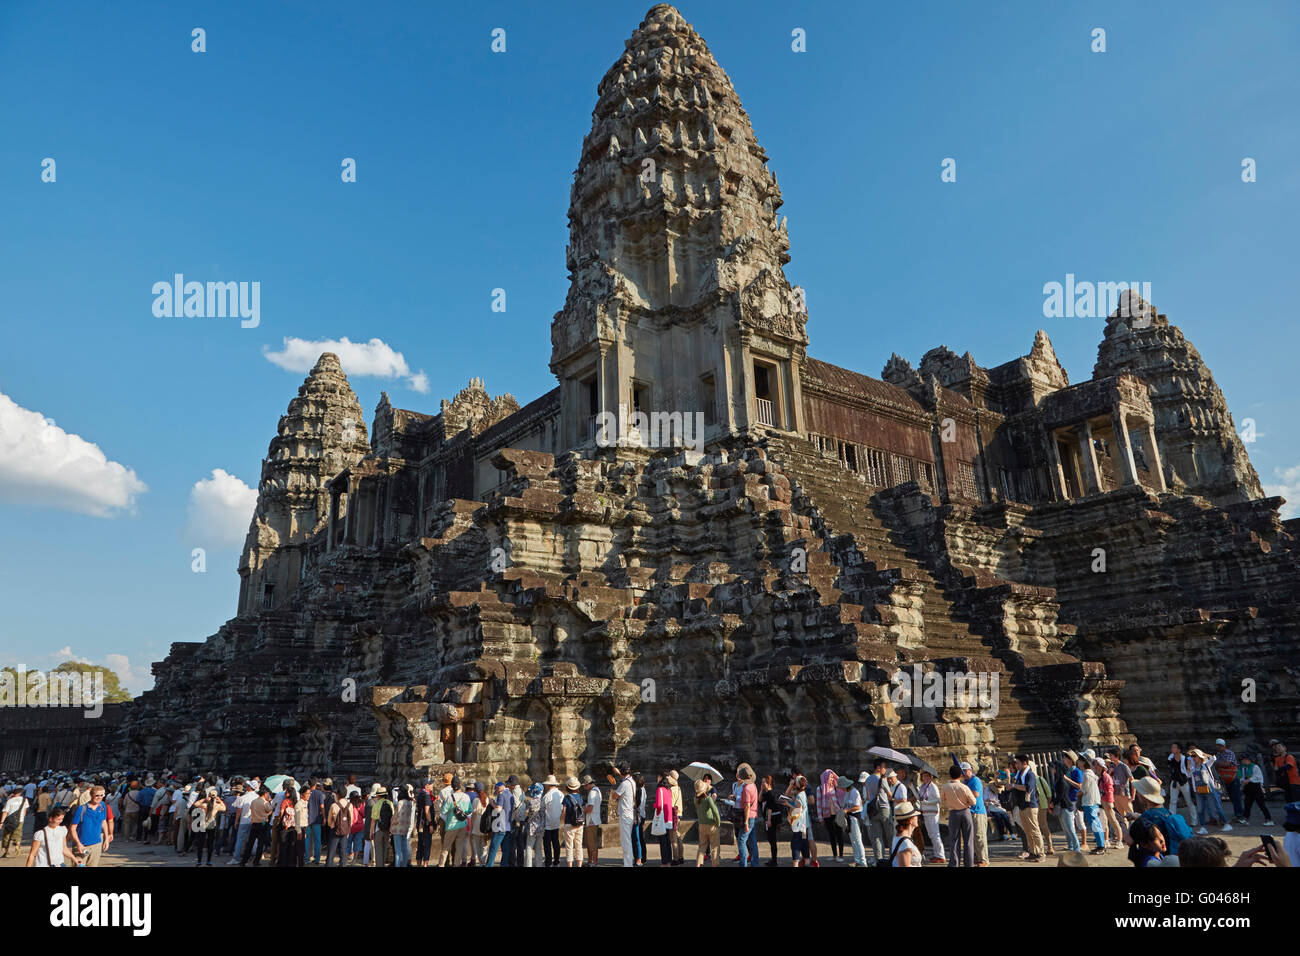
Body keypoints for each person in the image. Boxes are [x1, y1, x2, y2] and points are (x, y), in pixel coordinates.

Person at [1128, 776, 1193, 856]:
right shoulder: (1166, 812)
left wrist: (1122, 823)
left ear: (1144, 796)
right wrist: (1138, 816)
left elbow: (1131, 841)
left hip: (1158, 857)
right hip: (1171, 855)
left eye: (1139, 792)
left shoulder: (1147, 817)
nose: (1137, 794)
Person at [68, 785, 113, 866]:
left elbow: (104, 822)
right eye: (97, 795)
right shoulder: (81, 809)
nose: (100, 797)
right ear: (91, 795)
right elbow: (72, 828)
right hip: (82, 846)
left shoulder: (102, 806)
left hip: (96, 845)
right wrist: (78, 844)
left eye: (102, 795)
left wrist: (106, 838)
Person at [1011, 753, 1044, 862]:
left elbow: (1028, 788)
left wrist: (1014, 786)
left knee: (1034, 830)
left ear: (1024, 763)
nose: (1016, 765)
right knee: (1028, 831)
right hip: (1022, 805)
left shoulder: (1030, 774)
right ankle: (1033, 852)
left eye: (1018, 763)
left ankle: (1040, 853)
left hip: (1030, 805)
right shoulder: (1019, 774)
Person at [1189, 749, 1231, 834]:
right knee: (1200, 809)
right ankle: (1203, 828)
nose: (1192, 758)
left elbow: (1213, 758)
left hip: (1210, 790)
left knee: (1216, 807)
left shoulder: (1206, 765)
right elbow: (1189, 776)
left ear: (1199, 756)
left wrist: (1204, 754)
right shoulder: (1192, 767)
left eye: (1194, 756)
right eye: (1192, 756)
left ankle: (1226, 824)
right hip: (1198, 790)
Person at [941, 766, 976, 867]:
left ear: (950, 775)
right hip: (965, 812)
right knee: (968, 839)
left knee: (954, 839)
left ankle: (954, 863)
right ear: (960, 775)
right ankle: (969, 863)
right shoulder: (964, 787)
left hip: (953, 813)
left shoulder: (945, 787)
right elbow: (973, 801)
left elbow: (943, 799)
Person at [862, 760, 891, 861]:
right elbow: (890, 795)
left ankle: (879, 859)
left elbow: (868, 795)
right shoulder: (882, 780)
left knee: (876, 836)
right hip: (884, 808)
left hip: (872, 809)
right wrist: (886, 780)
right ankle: (893, 857)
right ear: (878, 768)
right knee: (890, 834)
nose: (885, 769)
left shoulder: (868, 779)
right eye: (884, 767)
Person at [960, 762, 988, 865]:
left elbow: (975, 794)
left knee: (979, 836)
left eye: (965, 771)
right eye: (962, 771)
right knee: (972, 837)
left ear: (970, 770)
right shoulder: (965, 782)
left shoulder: (975, 780)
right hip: (970, 811)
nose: (964, 773)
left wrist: (963, 793)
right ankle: (977, 856)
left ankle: (984, 859)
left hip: (978, 811)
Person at [1212, 738, 1246, 823]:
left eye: (1221, 746)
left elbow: (1226, 764)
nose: (1219, 747)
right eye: (1218, 746)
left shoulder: (1230, 753)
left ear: (1224, 746)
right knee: (1232, 797)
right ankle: (1238, 814)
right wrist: (1220, 764)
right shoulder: (1218, 754)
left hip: (1233, 777)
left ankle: (1239, 815)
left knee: (1236, 797)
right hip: (1225, 778)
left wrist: (1219, 763)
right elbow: (1218, 765)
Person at [441, 777, 472, 867]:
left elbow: (443, 811)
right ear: (460, 785)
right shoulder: (466, 796)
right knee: (459, 848)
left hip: (451, 825)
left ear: (452, 786)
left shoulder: (450, 798)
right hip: (462, 824)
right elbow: (470, 810)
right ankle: (456, 864)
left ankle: (441, 864)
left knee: (446, 848)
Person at [190, 787, 225, 865]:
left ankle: (199, 861)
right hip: (211, 825)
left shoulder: (203, 804)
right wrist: (220, 801)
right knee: (210, 843)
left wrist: (203, 799)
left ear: (208, 795)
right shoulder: (217, 805)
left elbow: (195, 804)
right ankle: (208, 861)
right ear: (216, 796)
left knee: (200, 844)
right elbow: (224, 808)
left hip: (202, 825)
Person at [916, 769, 945, 864]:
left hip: (933, 813)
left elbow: (938, 800)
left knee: (935, 834)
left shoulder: (933, 787)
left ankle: (941, 855)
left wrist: (927, 802)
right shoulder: (922, 787)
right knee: (931, 835)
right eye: (924, 776)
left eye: (928, 776)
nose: (926, 778)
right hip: (925, 812)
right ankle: (936, 854)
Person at [1167, 743, 1199, 826]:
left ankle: (1194, 821)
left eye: (1174, 747)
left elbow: (1189, 771)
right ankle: (1172, 820)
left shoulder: (1185, 759)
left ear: (1179, 750)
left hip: (1183, 781)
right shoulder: (1171, 758)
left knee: (1189, 801)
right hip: (1174, 782)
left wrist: (1188, 769)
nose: (1172, 748)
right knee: (1172, 801)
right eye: (1172, 747)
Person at [734, 763, 759, 867]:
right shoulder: (753, 785)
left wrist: (745, 822)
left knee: (741, 841)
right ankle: (755, 863)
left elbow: (747, 806)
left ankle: (743, 864)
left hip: (748, 816)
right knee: (752, 841)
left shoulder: (746, 788)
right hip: (754, 815)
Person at [611, 763, 637, 867]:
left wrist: (614, 784)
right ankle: (628, 862)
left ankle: (628, 864)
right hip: (629, 813)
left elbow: (614, 796)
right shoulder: (632, 781)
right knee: (627, 840)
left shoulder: (624, 784)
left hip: (625, 815)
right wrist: (619, 775)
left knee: (626, 841)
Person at [1237, 753, 1273, 825]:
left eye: (1245, 760)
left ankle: (1269, 819)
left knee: (1261, 804)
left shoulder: (1255, 767)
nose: (1243, 761)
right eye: (1242, 760)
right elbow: (1241, 777)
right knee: (1247, 804)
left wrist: (1249, 780)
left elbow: (1258, 777)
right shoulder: (1242, 768)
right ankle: (1246, 818)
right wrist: (1242, 782)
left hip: (1255, 787)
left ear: (1249, 760)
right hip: (1247, 787)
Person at [840, 773, 866, 866]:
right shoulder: (847, 792)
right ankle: (857, 860)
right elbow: (846, 805)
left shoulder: (854, 792)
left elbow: (857, 806)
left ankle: (863, 861)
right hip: (850, 818)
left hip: (855, 817)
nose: (841, 789)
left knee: (858, 840)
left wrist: (847, 810)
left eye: (841, 787)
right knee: (853, 840)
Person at [783, 775, 810, 867]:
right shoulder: (803, 793)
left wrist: (788, 804)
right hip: (804, 825)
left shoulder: (799, 796)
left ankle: (796, 864)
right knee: (804, 844)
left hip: (798, 825)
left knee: (795, 845)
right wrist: (791, 785)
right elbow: (787, 795)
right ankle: (806, 863)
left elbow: (798, 809)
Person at [651, 771, 677, 865]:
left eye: (658, 776)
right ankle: (668, 860)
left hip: (662, 818)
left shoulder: (659, 789)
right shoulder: (668, 790)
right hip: (668, 817)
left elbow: (658, 805)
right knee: (667, 841)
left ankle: (665, 862)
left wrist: (654, 806)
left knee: (662, 842)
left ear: (661, 777)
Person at [695, 777, 721, 866]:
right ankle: (715, 864)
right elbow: (715, 812)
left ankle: (698, 864)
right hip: (711, 825)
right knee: (714, 848)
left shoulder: (695, 799)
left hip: (701, 824)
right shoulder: (708, 799)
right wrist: (718, 823)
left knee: (701, 848)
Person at [759, 774, 783, 865]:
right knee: (770, 839)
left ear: (769, 783)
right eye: (762, 782)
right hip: (770, 818)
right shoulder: (766, 793)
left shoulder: (770, 794)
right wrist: (761, 790)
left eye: (764, 782)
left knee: (772, 839)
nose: (763, 784)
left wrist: (768, 820)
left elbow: (770, 808)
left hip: (772, 818)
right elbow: (759, 800)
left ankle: (774, 860)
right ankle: (773, 859)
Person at [819, 769, 844, 859]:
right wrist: (820, 818)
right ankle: (834, 855)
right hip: (827, 815)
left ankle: (841, 855)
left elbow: (841, 799)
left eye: (832, 777)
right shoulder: (820, 789)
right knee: (831, 835)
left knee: (839, 834)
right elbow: (818, 805)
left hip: (837, 813)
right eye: (830, 777)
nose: (831, 779)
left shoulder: (836, 787)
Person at [890, 800, 922, 867]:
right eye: (915, 816)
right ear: (910, 820)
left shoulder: (898, 837)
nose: (917, 817)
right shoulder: (905, 844)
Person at [541, 774, 564, 867]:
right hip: (556, 821)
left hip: (548, 822)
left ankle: (548, 861)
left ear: (548, 785)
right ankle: (556, 861)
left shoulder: (547, 795)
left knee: (547, 843)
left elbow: (542, 808)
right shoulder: (561, 794)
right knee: (555, 842)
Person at [562, 776, 585, 867]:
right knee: (579, 845)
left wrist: (564, 822)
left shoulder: (566, 798)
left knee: (569, 846)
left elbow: (563, 812)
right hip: (579, 823)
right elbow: (582, 809)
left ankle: (570, 865)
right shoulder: (580, 797)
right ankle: (579, 865)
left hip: (569, 823)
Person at [325, 788, 352, 865]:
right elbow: (351, 819)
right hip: (345, 831)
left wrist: (331, 826)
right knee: (343, 852)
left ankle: (329, 865)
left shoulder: (334, 805)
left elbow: (329, 820)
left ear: (338, 795)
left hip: (335, 830)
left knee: (331, 851)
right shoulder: (350, 805)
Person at [277, 785, 301, 868]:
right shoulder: (296, 803)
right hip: (294, 826)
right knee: (292, 845)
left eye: (286, 792)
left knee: (283, 845)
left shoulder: (285, 801)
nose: (285, 793)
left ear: (289, 793)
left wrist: (279, 819)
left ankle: (282, 863)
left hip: (285, 826)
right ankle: (292, 863)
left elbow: (281, 812)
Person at [0, 786, 28, 858]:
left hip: (10, 821)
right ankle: (17, 844)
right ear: (20, 793)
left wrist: (1, 822)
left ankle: (6, 852)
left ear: (13, 793)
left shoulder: (10, 801)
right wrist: (22, 818)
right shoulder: (24, 800)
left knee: (7, 836)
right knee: (18, 834)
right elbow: (24, 811)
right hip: (20, 820)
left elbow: (5, 812)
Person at [522, 783, 545, 867]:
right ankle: (539, 864)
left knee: (529, 847)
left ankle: (528, 865)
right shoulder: (543, 802)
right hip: (541, 827)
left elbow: (526, 814)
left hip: (532, 828)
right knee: (538, 848)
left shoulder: (530, 802)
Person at [392, 784, 415, 867]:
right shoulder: (410, 802)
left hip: (397, 827)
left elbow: (396, 816)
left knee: (398, 850)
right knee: (404, 848)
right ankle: (404, 865)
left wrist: (392, 823)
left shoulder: (400, 803)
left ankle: (397, 865)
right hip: (405, 827)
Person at [581, 774, 601, 867]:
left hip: (591, 819)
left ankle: (594, 862)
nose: (584, 787)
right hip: (595, 818)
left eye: (585, 785)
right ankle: (591, 861)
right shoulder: (597, 791)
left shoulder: (592, 793)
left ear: (588, 784)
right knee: (591, 842)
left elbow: (590, 808)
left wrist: (582, 809)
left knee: (592, 842)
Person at [668, 769, 685, 865]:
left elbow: (670, 804)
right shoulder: (678, 788)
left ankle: (676, 858)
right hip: (679, 813)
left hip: (673, 814)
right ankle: (681, 856)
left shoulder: (671, 790)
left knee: (673, 838)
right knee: (678, 836)